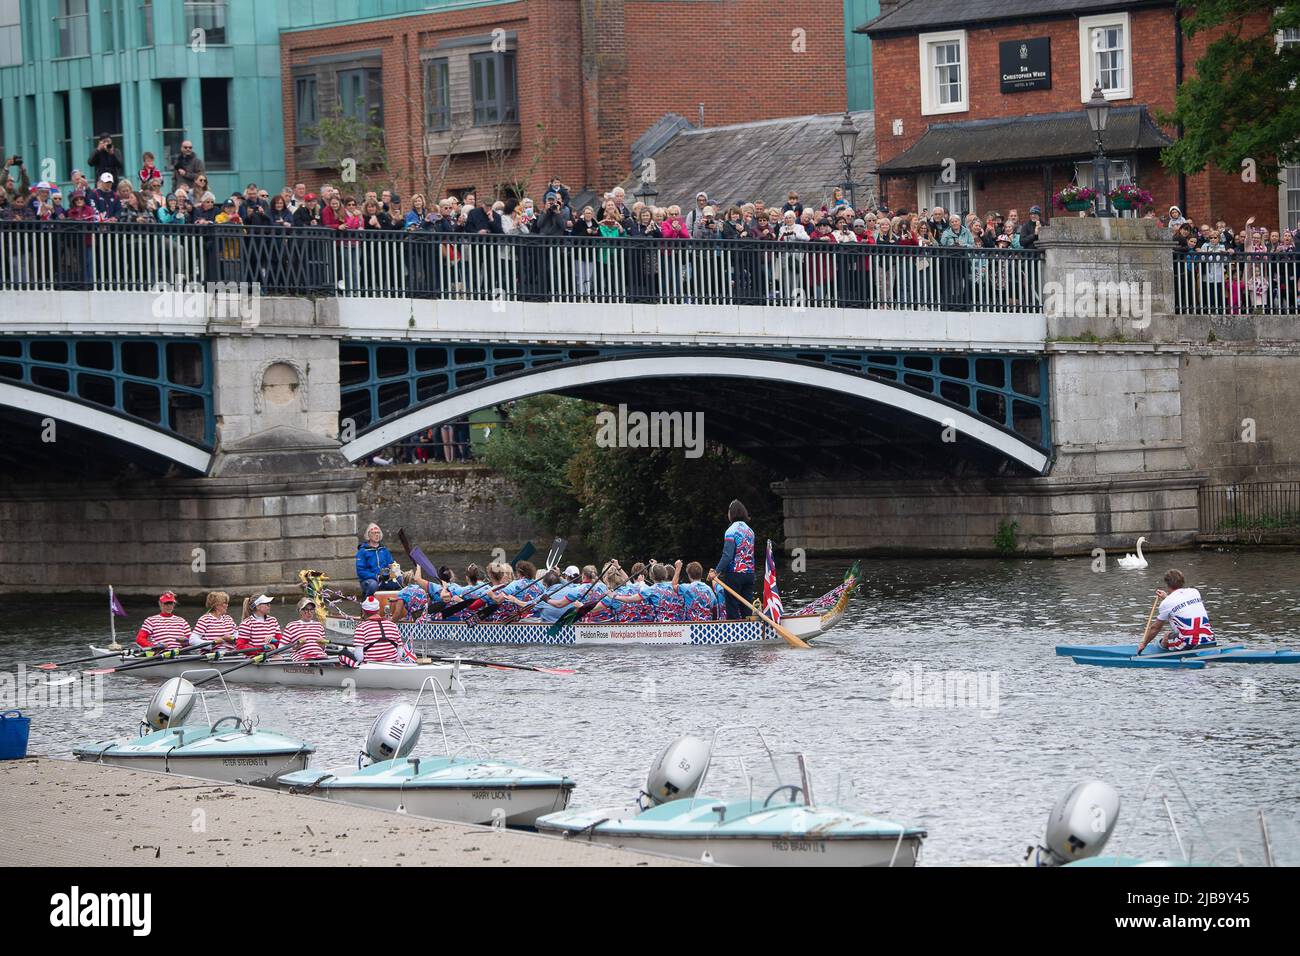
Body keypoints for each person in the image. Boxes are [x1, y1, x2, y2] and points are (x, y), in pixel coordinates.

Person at [1139, 569, 1216, 655]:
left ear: (1167, 584)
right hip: (1210, 640)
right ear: (1182, 581)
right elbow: (1183, 604)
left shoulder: (1166, 603)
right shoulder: (1194, 592)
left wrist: (1144, 644)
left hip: (1189, 644)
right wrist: (1166, 597)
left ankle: (1166, 657)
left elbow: (1155, 628)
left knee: (1166, 637)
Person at [708, 499, 756, 620]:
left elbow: (727, 556)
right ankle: (749, 630)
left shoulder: (731, 531)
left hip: (735, 574)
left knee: (732, 607)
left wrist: (716, 571)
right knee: (747, 606)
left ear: (732, 514)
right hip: (750, 573)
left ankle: (735, 631)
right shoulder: (750, 531)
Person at [353, 596, 412, 662]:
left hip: (371, 665)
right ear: (378, 610)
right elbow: (400, 653)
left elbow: (359, 657)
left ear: (363, 611)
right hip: (392, 664)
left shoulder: (361, 628)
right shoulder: (393, 625)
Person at [356, 523, 399, 596]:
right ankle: (369, 602)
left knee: (399, 580)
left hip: (384, 579)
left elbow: (391, 563)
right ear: (368, 535)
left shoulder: (384, 550)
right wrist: (377, 576)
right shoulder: (363, 551)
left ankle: (388, 601)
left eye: (378, 533)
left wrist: (393, 568)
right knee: (373, 585)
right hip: (369, 580)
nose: (377, 535)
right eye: (374, 533)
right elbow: (361, 571)